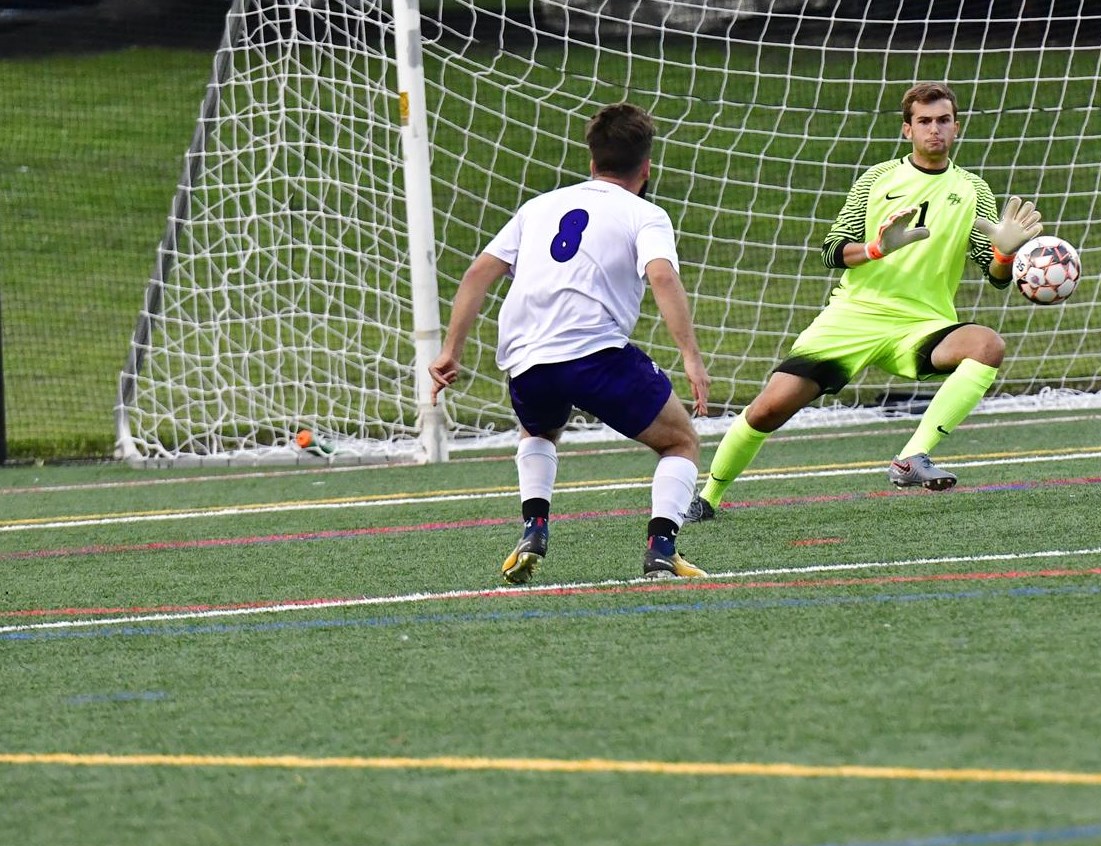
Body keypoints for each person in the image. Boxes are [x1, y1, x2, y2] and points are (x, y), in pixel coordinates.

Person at [683, 81, 1044, 522]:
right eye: (925, 121)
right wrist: (876, 248)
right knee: (768, 409)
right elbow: (832, 249)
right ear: (907, 130)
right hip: (853, 317)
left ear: (957, 127)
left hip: (922, 325)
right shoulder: (877, 179)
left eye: (944, 121)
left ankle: (912, 457)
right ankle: (708, 497)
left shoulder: (973, 190)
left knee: (987, 345)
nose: (935, 130)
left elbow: (997, 277)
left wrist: (1006, 253)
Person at [429, 102, 712, 581]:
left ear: (591, 161)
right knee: (680, 441)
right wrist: (691, 357)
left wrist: (450, 350)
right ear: (646, 167)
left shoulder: (537, 207)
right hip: (594, 354)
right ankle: (662, 549)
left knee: (538, 433)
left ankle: (534, 528)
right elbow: (661, 276)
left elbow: (478, 273)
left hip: (525, 358)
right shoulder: (645, 213)